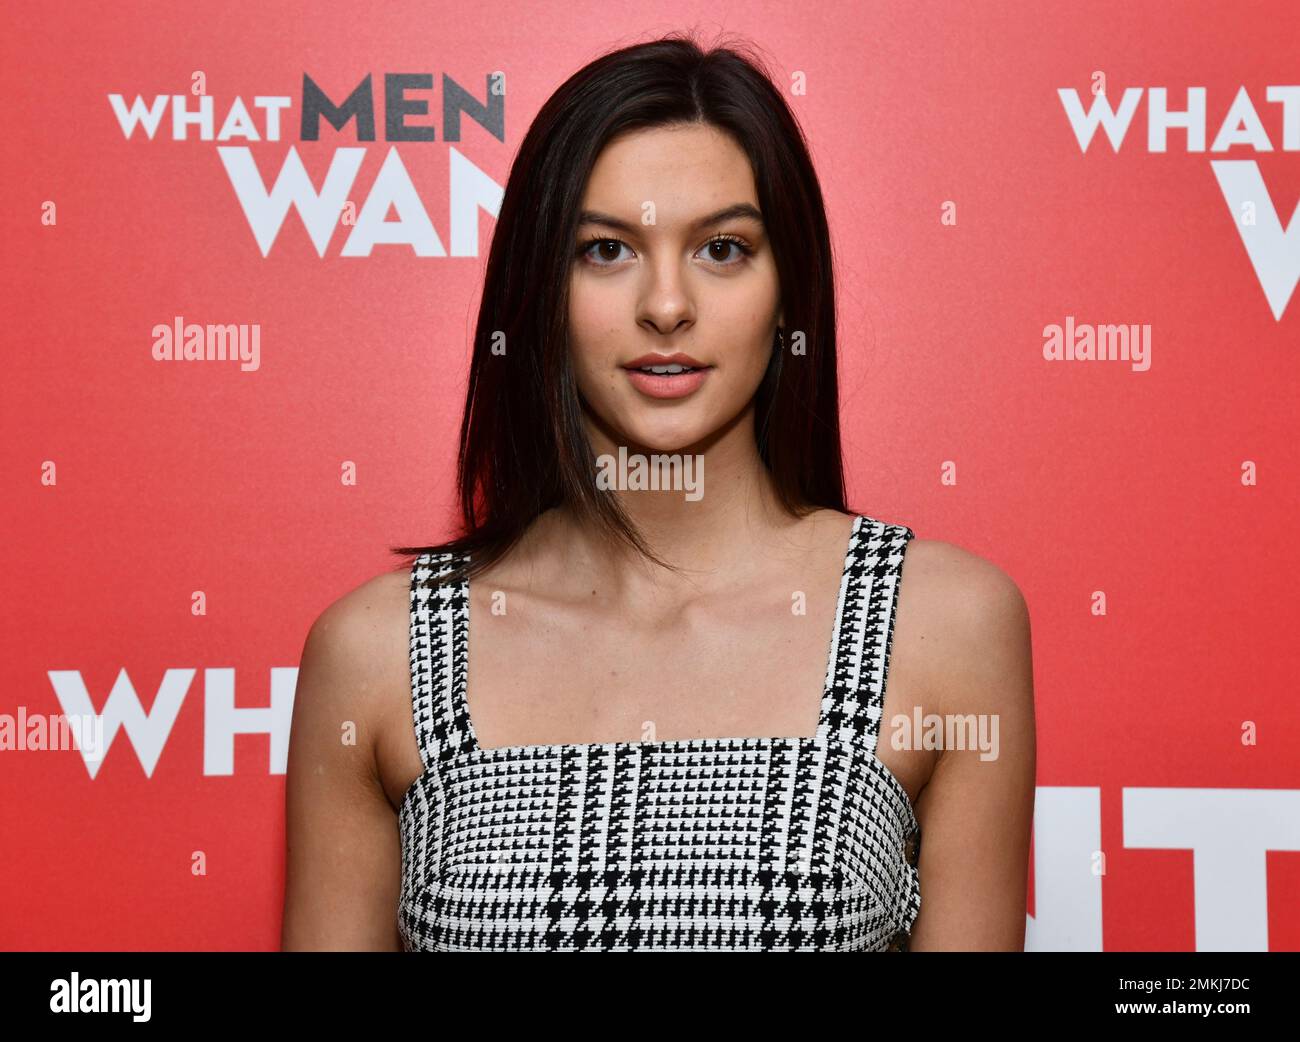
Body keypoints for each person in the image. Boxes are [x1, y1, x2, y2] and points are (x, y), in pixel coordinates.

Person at [280, 32, 1035, 951]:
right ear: (540, 292)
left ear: (789, 291)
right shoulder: (377, 654)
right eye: (606, 250)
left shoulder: (944, 624)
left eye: (722, 248)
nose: (667, 305)